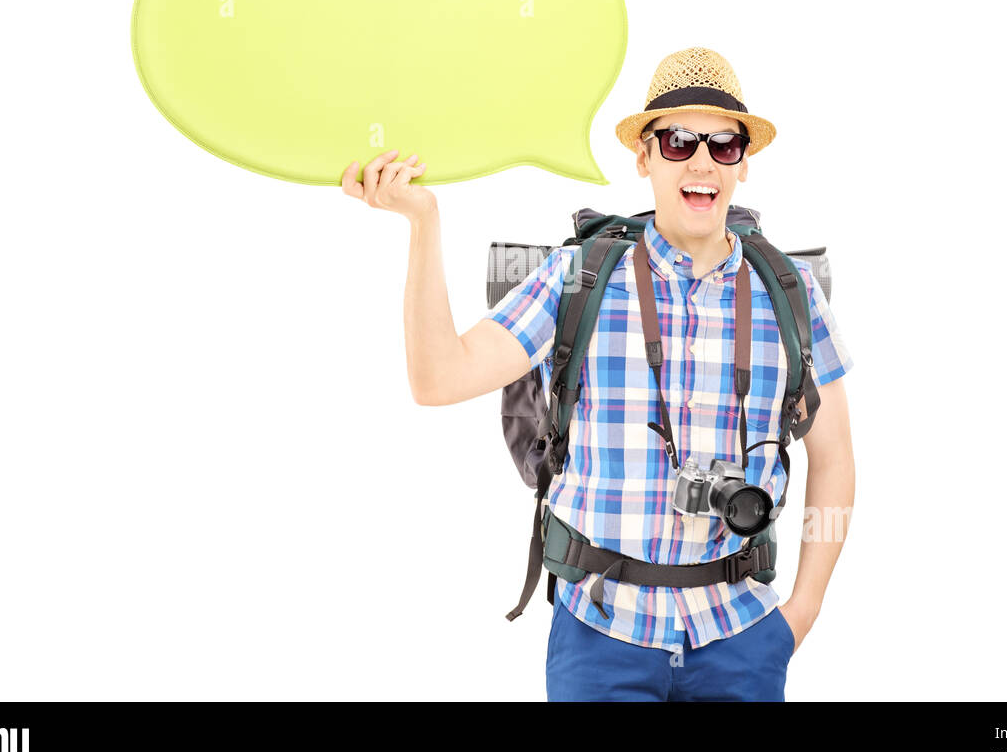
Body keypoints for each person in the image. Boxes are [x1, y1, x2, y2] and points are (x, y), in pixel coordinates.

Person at [341, 46, 855, 701]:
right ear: (643, 157)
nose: (701, 161)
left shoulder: (790, 289)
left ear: (744, 164)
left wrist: (800, 614)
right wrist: (423, 223)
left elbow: (834, 458)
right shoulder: (579, 278)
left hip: (743, 636)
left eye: (724, 145)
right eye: (677, 141)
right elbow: (438, 378)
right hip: (600, 638)